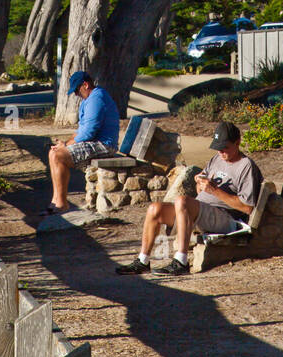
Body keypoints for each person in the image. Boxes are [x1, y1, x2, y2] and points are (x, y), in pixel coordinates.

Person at [115, 120, 263, 276]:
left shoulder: (246, 166)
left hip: (226, 219)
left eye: (225, 148)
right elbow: (201, 191)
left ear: (237, 142)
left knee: (182, 201)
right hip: (201, 212)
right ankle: (143, 261)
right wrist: (199, 182)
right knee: (155, 209)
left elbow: (247, 207)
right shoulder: (217, 159)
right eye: (218, 148)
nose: (221, 152)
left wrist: (214, 190)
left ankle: (181, 261)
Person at [42, 70, 120, 216]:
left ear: (85, 84)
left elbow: (89, 132)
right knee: (53, 152)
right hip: (95, 142)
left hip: (105, 144)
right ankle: (55, 201)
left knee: (59, 156)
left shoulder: (97, 98)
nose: (76, 94)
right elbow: (81, 130)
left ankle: (62, 204)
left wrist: (66, 145)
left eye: (77, 90)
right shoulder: (88, 101)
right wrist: (64, 143)